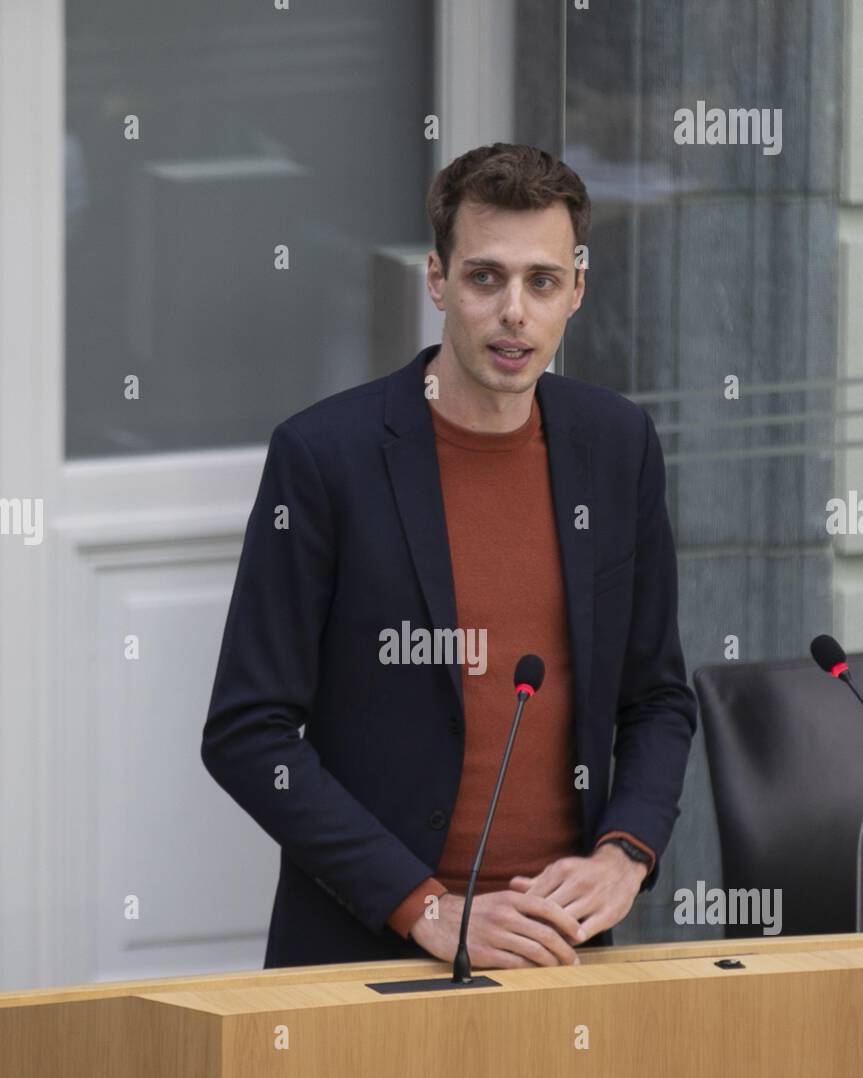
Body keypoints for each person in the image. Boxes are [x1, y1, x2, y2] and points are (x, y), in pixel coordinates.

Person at [201, 142, 697, 970]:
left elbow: (656, 699)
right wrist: (423, 906)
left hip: (564, 950)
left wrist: (627, 850)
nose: (514, 312)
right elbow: (247, 732)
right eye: (484, 277)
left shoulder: (617, 445)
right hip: (371, 950)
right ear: (437, 281)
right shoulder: (325, 457)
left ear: (576, 289)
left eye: (541, 281)